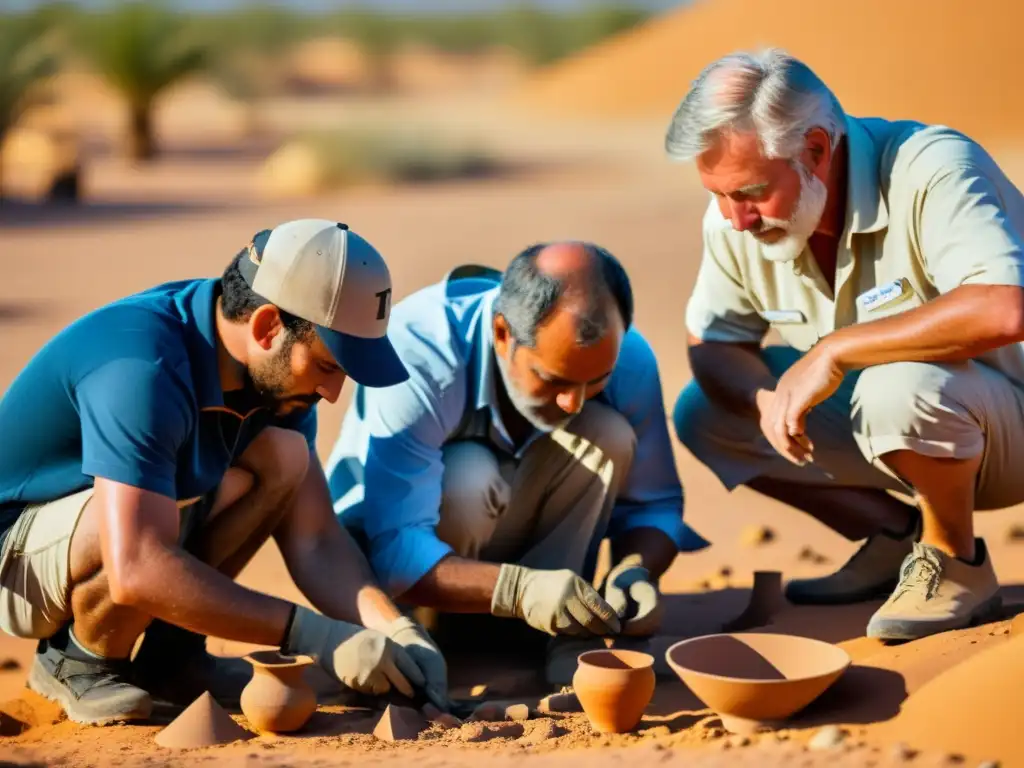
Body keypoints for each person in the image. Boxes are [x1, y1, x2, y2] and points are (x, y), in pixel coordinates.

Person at [0, 218, 449, 725]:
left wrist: (394, 629)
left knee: (285, 458)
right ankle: (78, 659)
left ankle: (173, 658)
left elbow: (318, 539)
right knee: (148, 515)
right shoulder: (144, 365)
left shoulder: (273, 376)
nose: (332, 393)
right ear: (266, 326)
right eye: (328, 366)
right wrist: (314, 634)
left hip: (117, 529)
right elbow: (137, 564)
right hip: (16, 555)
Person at [666, 48, 1024, 641]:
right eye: (719, 194)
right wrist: (767, 403)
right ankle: (895, 540)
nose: (737, 220)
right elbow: (713, 342)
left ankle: (956, 562)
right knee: (705, 413)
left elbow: (1004, 307)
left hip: (1009, 416)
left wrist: (835, 350)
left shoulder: (933, 167)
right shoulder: (732, 218)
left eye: (750, 193)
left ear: (815, 149)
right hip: (924, 420)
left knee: (895, 383)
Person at [324, 241, 707, 682]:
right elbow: (398, 551)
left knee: (608, 433)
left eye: (595, 380)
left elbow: (653, 505)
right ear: (502, 334)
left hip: (524, 566)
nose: (572, 402)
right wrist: (520, 590)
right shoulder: (421, 355)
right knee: (468, 474)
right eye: (552, 379)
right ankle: (437, 629)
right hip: (401, 576)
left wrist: (634, 569)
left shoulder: (626, 356)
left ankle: (559, 629)